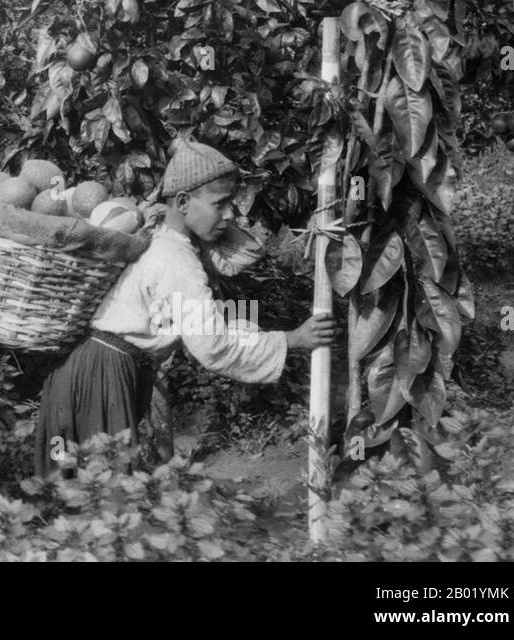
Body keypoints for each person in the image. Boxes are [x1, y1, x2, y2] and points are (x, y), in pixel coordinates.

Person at [33, 138, 338, 478]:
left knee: (80, 494)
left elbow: (245, 256)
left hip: (88, 368)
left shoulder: (166, 241)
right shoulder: (178, 262)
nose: (229, 216)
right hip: (104, 375)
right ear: (181, 201)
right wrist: (290, 340)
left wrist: (204, 218)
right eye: (221, 204)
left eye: (231, 206)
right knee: (107, 498)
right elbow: (212, 345)